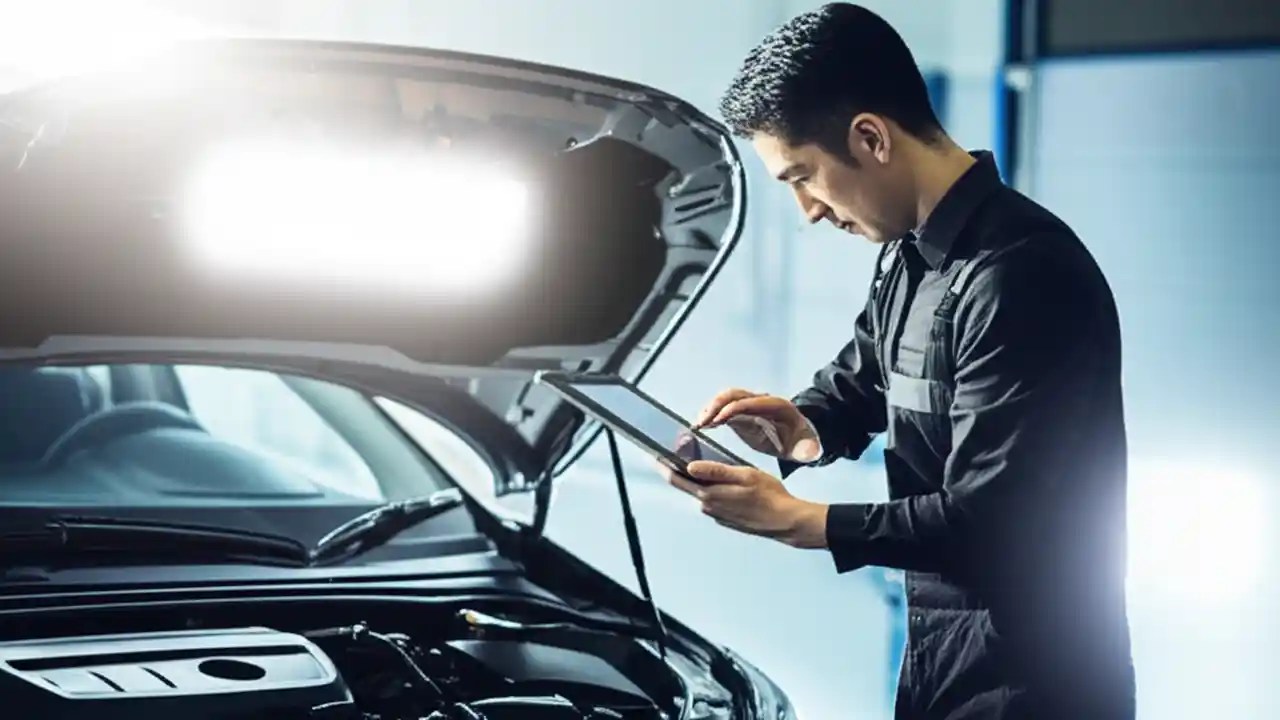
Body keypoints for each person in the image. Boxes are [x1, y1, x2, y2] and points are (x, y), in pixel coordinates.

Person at [665, 4, 1136, 718]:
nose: (808, 212)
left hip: (1034, 688)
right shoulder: (907, 257)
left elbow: (992, 523)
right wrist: (800, 427)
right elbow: (861, 380)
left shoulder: (1021, 274)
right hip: (941, 668)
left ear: (870, 138)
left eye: (803, 177)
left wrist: (800, 520)